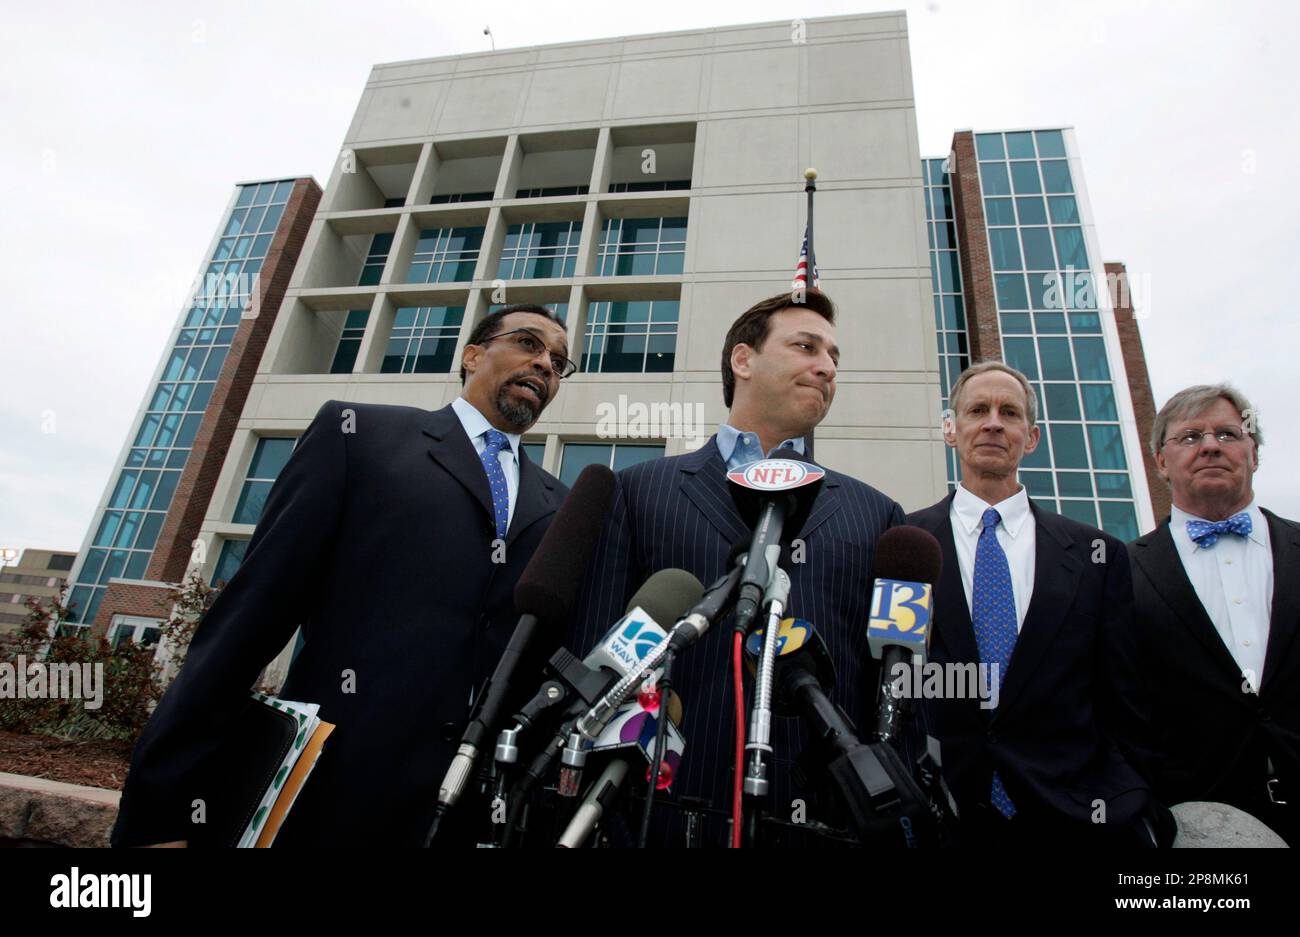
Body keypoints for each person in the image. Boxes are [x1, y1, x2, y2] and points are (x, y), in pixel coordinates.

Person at [111, 304, 572, 847]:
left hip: (460, 818)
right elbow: (247, 624)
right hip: (327, 799)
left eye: (559, 362)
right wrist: (161, 810)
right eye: (528, 343)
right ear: (472, 355)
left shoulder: (560, 505)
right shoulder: (360, 437)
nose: (545, 364)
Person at [568, 290, 906, 846]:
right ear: (743, 360)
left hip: (817, 825)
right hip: (659, 815)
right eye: (806, 347)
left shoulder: (876, 514)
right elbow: (597, 660)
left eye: (834, 359)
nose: (826, 367)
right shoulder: (637, 493)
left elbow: (888, 694)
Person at [907, 361, 1168, 847]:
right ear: (952, 429)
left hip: (1072, 818)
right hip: (939, 817)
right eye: (977, 410)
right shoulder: (904, 544)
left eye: (1009, 413)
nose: (992, 423)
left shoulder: (1097, 555)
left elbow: (1124, 701)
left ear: (1031, 438)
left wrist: (1130, 797)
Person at [1128, 383, 1299, 845]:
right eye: (1189, 437)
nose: (1209, 446)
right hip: (1194, 824)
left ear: (1254, 453)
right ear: (1161, 461)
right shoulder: (1120, 572)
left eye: (1227, 434)